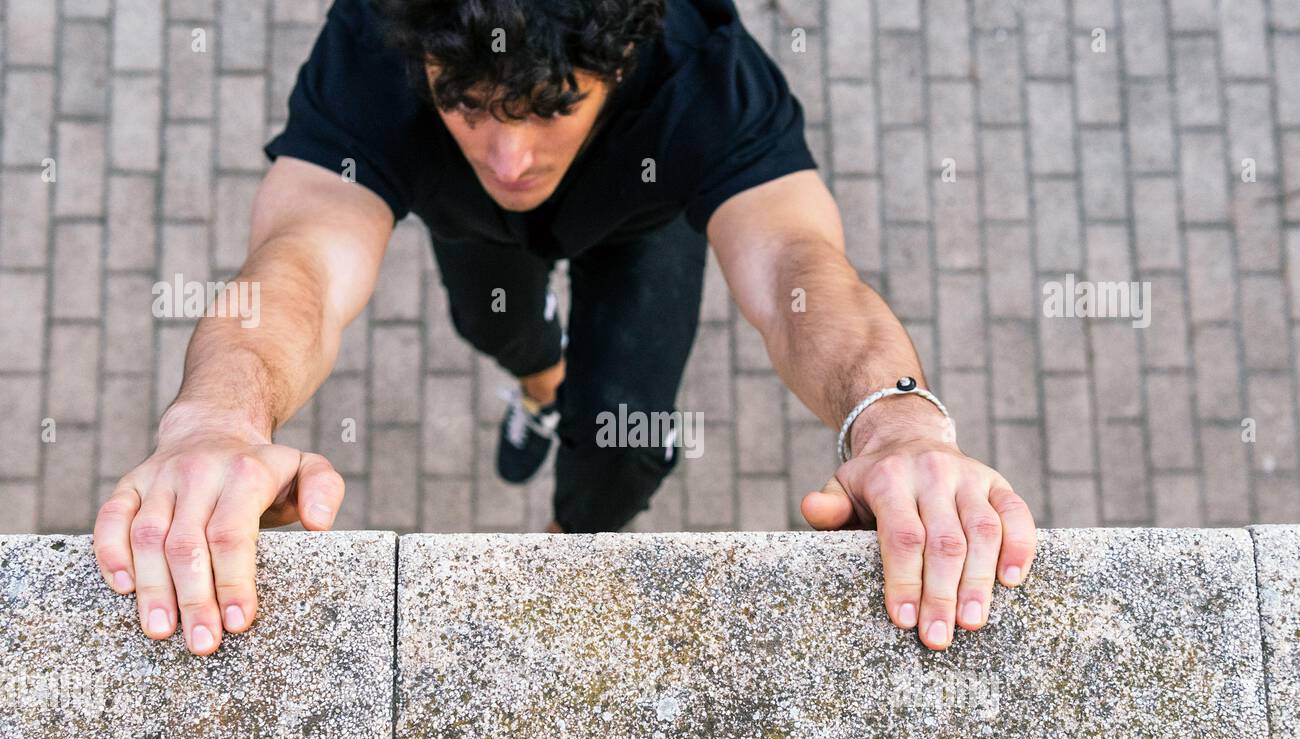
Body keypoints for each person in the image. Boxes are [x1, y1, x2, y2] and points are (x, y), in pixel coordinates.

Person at [93, 0, 1036, 657]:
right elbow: (299, 256)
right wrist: (217, 420)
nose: (508, 158)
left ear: (617, 66)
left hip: (642, 228)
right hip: (475, 241)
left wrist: (897, 426)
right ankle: (539, 386)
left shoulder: (701, 72)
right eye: (465, 105)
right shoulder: (376, 40)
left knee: (627, 435)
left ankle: (567, 529)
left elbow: (799, 266)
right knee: (496, 328)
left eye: (550, 110)